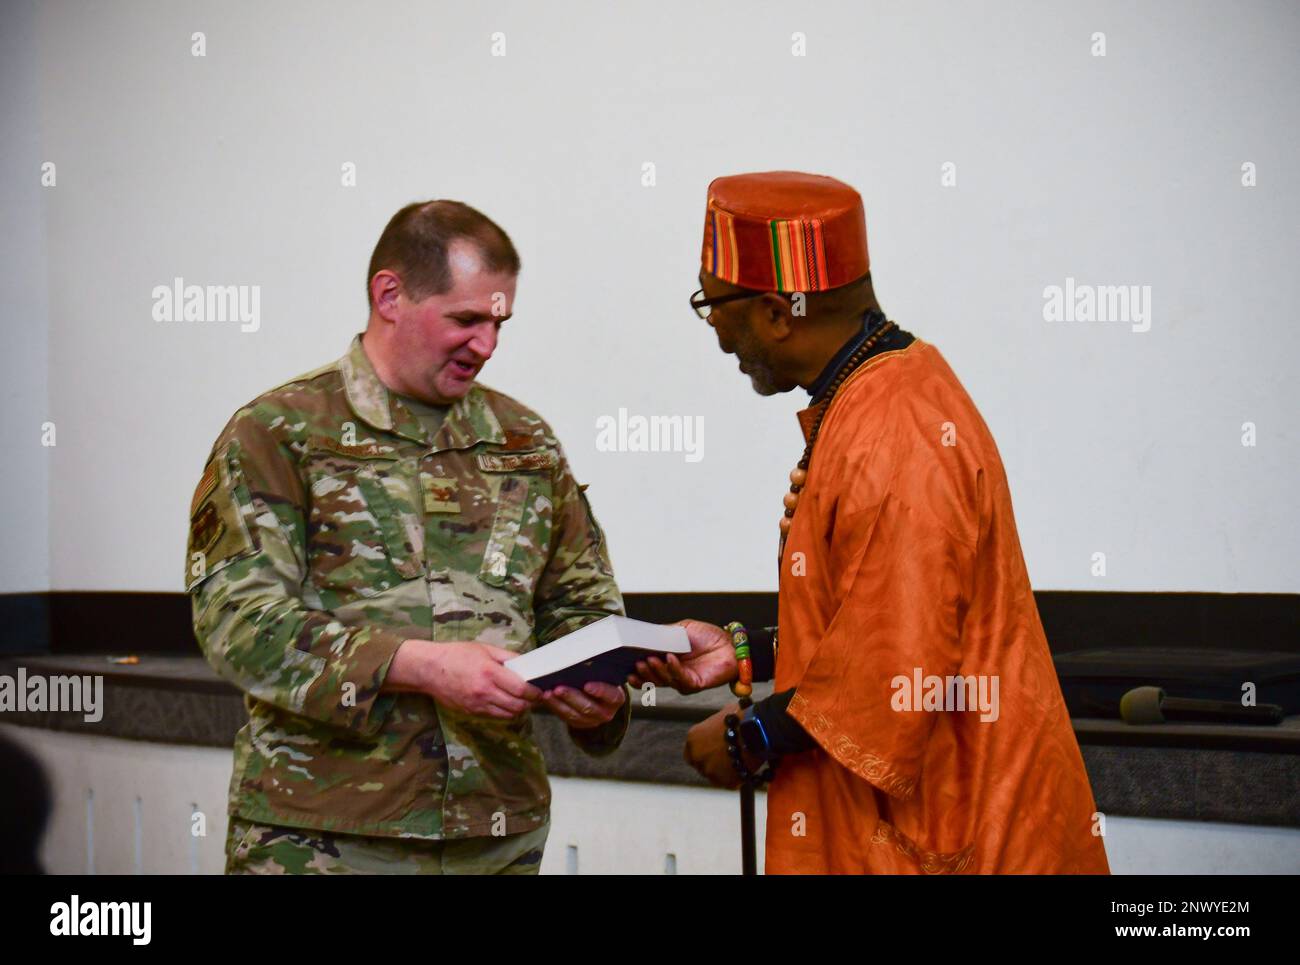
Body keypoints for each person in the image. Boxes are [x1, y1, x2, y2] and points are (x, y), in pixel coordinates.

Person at [632, 171, 1110, 874]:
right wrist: (745, 651)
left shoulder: (897, 429)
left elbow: (893, 674)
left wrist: (750, 736)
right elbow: (875, 616)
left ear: (774, 310)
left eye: (713, 303)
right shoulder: (878, 393)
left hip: (963, 831)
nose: (713, 328)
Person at [187, 200, 628, 874]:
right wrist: (420, 665)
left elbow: (579, 600)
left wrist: (597, 687)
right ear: (388, 294)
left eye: (499, 321)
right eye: (466, 319)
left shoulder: (526, 442)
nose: (487, 345)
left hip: (495, 833)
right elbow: (238, 621)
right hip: (324, 839)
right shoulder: (278, 432)